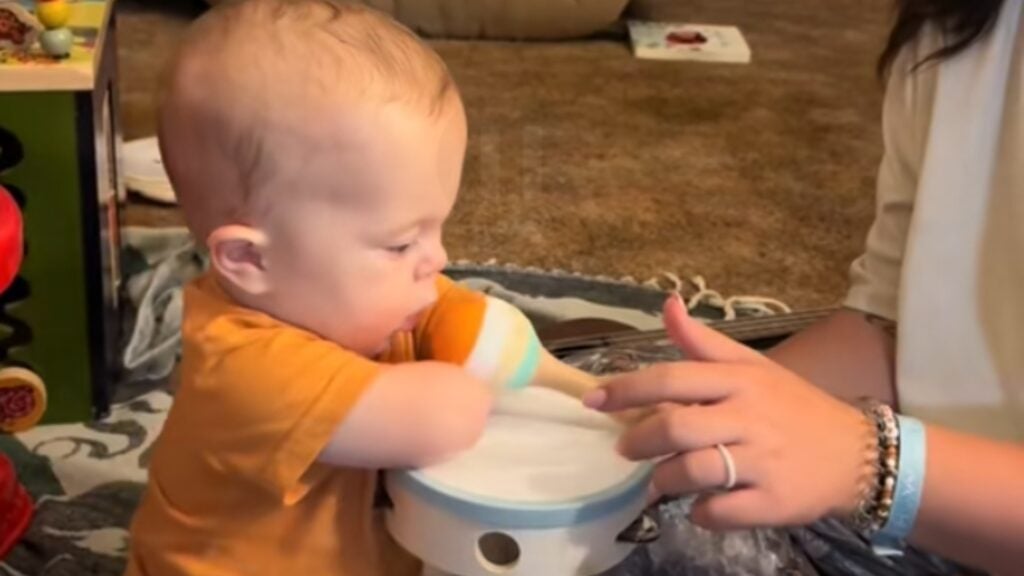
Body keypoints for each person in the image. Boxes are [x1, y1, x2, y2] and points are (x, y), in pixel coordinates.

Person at [121, 1, 605, 574]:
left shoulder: (343, 299)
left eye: (437, 228)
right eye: (400, 245)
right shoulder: (248, 372)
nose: (438, 260)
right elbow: (444, 417)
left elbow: (452, 315)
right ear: (250, 259)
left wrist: (476, 329)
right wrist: (481, 386)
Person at [584, 1, 1024, 574]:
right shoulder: (958, 27)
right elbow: (892, 322)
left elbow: (865, 458)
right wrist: (709, 410)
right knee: (596, 420)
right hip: (919, 482)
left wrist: (869, 462)